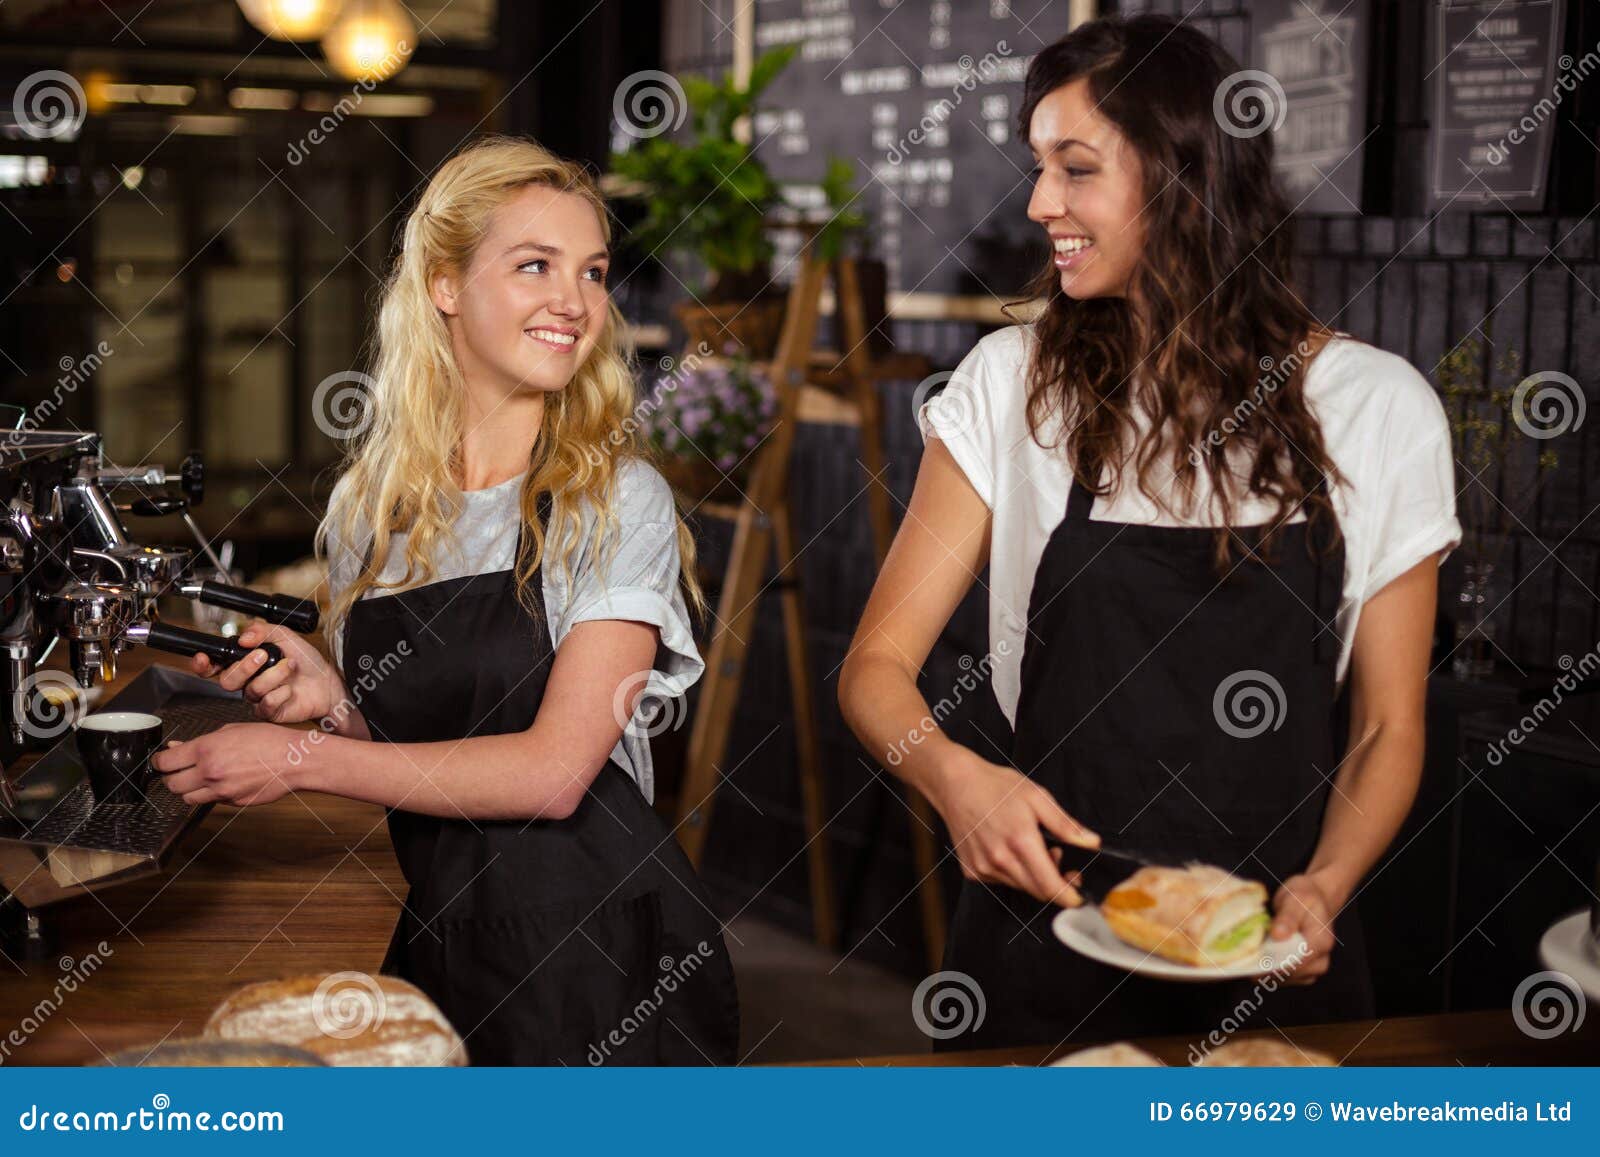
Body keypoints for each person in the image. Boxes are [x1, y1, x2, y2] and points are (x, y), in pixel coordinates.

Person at [838, 16, 1461, 1049]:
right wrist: (955, 781)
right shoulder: (1011, 384)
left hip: (1270, 944)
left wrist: (1328, 884)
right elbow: (873, 667)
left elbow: (1389, 726)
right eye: (1038, 167)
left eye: (1074, 169)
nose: (1040, 203)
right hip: (1042, 945)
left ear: (1183, 178)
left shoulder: (1376, 407)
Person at [153, 136, 740, 1066]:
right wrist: (331, 706)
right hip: (439, 929)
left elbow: (552, 772)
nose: (575, 302)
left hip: (599, 954)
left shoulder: (612, 498)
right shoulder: (373, 510)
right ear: (445, 284)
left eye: (591, 271)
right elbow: (418, 754)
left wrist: (301, 760)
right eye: (534, 265)